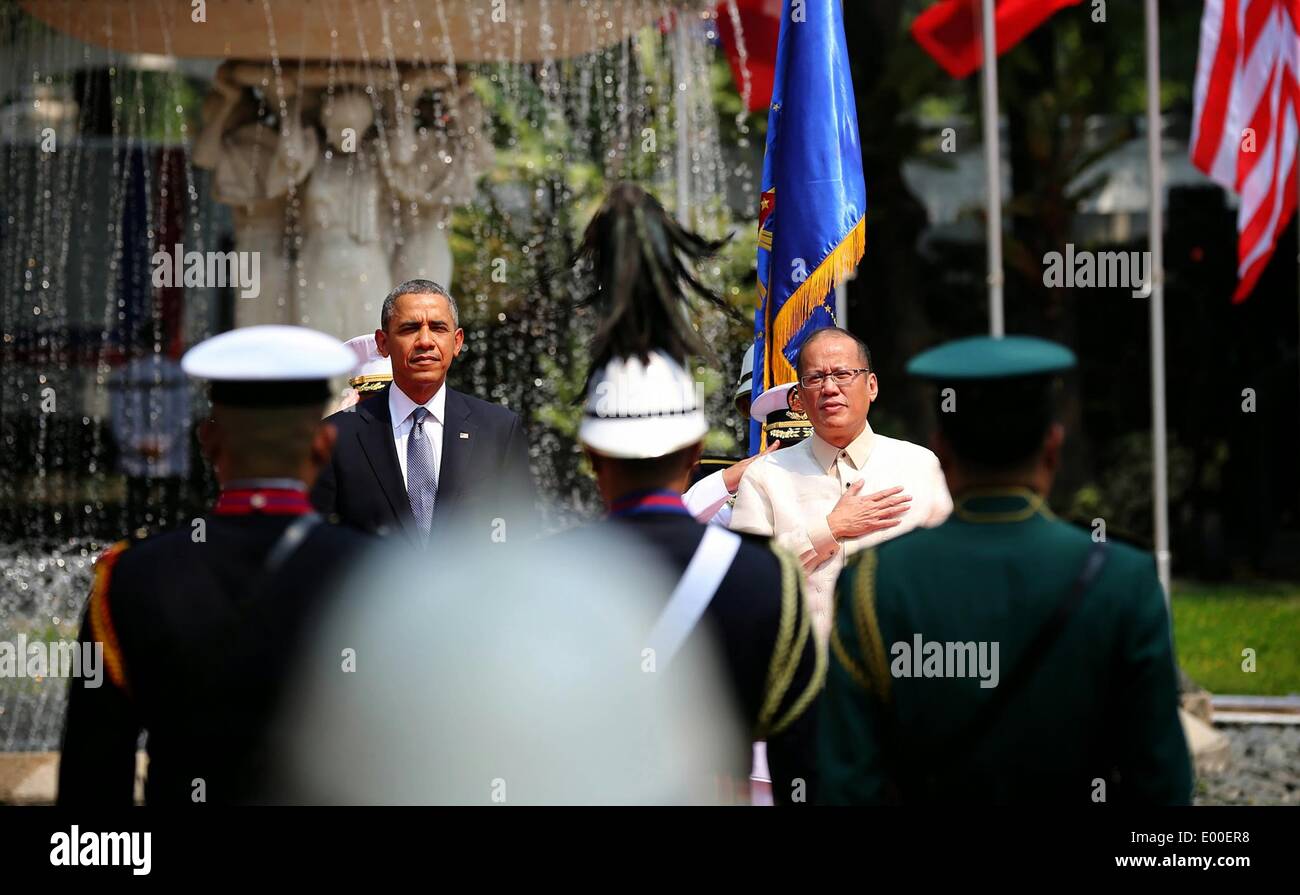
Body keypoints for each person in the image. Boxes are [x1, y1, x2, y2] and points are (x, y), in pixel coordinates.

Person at [818, 335, 1193, 804]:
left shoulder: (873, 580)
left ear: (943, 453)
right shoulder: (1124, 578)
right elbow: (1161, 782)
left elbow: (844, 780)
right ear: (1053, 448)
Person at [569, 183, 825, 804]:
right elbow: (802, 753)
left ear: (590, 456)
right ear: (693, 453)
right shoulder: (766, 580)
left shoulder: (542, 573)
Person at [58, 325, 373, 805]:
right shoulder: (377, 575)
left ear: (208, 440)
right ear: (324, 444)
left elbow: (92, 782)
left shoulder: (129, 578)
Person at [730, 327, 953, 639]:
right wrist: (828, 530)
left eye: (842, 374)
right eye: (815, 378)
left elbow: (950, 576)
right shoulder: (767, 475)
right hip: (807, 676)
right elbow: (744, 583)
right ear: (800, 396)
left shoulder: (919, 465)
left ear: (871, 385)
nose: (830, 388)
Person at [311, 279, 538, 545]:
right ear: (383, 343)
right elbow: (320, 543)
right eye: (410, 329)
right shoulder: (339, 436)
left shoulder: (498, 430)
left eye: (438, 328)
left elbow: (519, 539)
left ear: (457, 341)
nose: (425, 341)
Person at [683, 379, 811, 526]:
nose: (795, 458)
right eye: (784, 449)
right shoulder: (743, 501)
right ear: (768, 450)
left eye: (806, 448)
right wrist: (731, 478)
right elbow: (674, 519)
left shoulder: (841, 491)